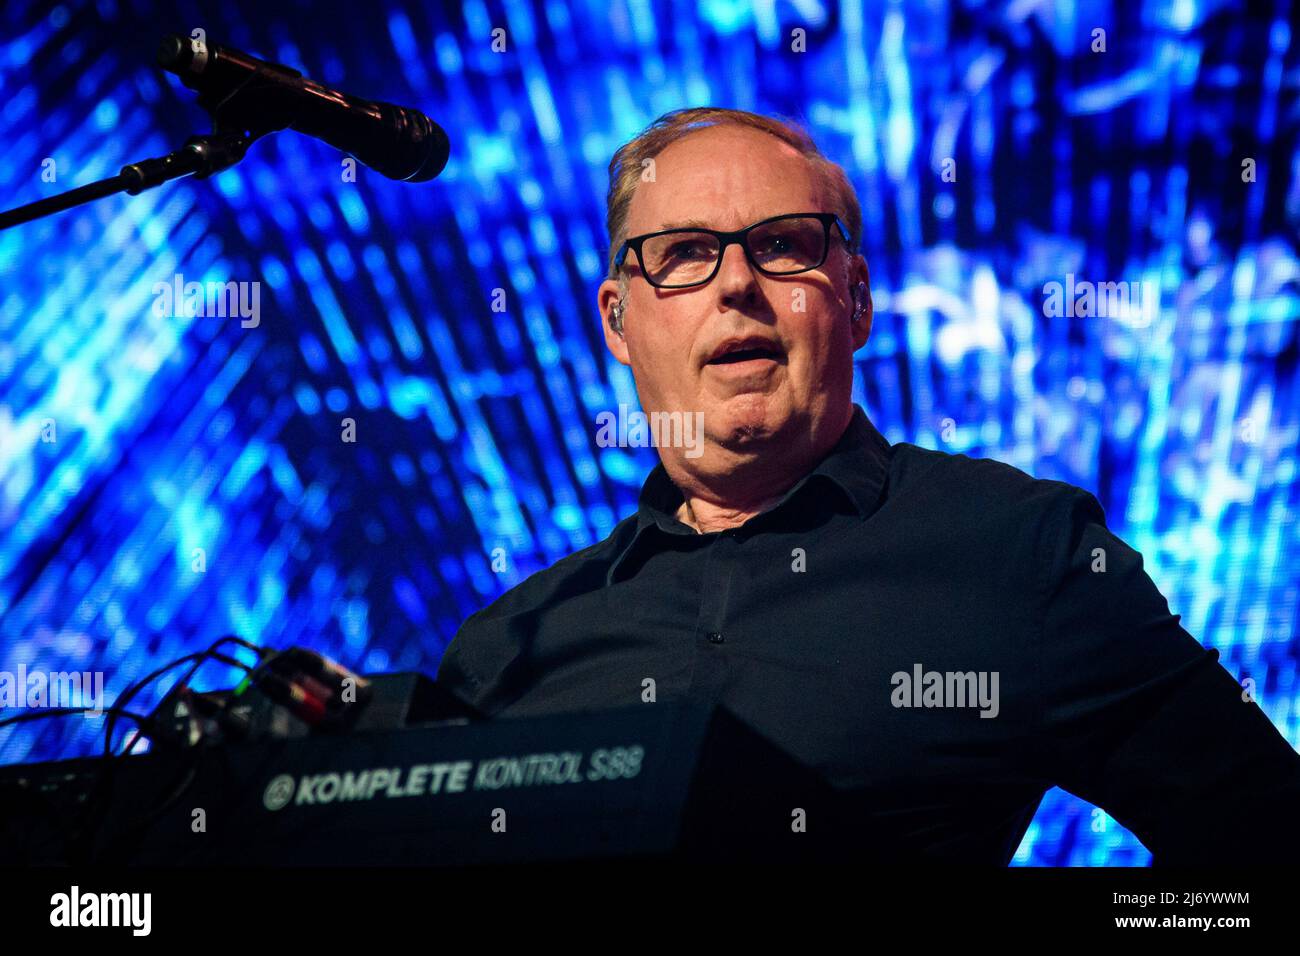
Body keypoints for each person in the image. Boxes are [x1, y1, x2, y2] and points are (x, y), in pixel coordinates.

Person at [437, 107, 1300, 863]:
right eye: (685, 254)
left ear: (856, 301)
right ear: (619, 321)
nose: (737, 285)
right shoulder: (507, 649)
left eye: (781, 246)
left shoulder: (1015, 552)